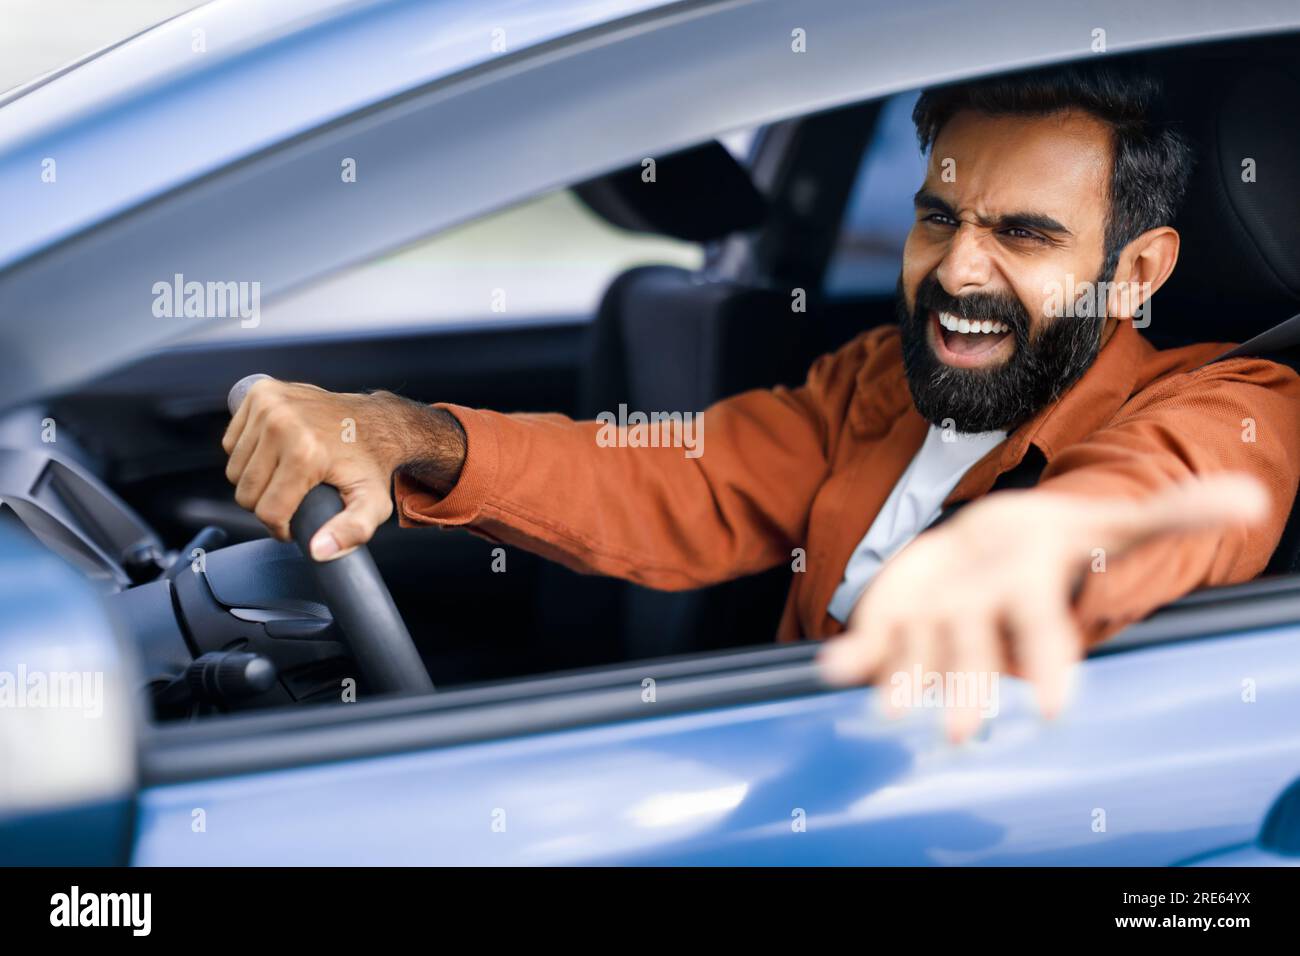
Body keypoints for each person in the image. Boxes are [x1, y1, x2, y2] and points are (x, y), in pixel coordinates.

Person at [221, 64, 1300, 741]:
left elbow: (1178, 482)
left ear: (1136, 272)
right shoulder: (879, 379)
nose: (957, 271)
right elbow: (668, 474)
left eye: (1023, 234)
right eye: (937, 219)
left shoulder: (1232, 398)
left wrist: (1037, 544)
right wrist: (406, 431)